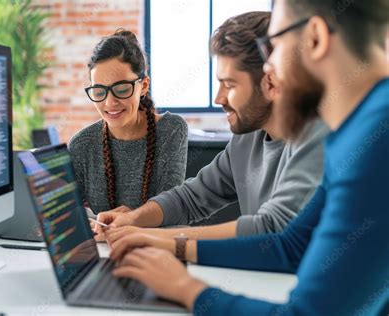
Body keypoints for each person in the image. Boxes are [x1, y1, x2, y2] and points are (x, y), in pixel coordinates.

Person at [108, 0, 389, 314]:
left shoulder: (375, 137)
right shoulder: (358, 129)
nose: (269, 67)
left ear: (315, 38)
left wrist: (187, 289)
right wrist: (167, 245)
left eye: (278, 42)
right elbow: (290, 246)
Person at [96, 12, 328, 242]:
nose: (219, 98)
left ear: (270, 80)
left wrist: (158, 239)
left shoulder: (318, 135)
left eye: (229, 85)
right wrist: (133, 219)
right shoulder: (247, 138)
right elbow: (191, 198)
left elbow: (272, 228)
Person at [68, 29, 188, 214]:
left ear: (144, 86)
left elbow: (170, 210)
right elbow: (74, 215)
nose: (109, 103)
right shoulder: (81, 145)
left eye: (122, 89)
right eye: (99, 92)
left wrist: (127, 221)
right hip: (104, 243)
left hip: (159, 242)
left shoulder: (171, 129)